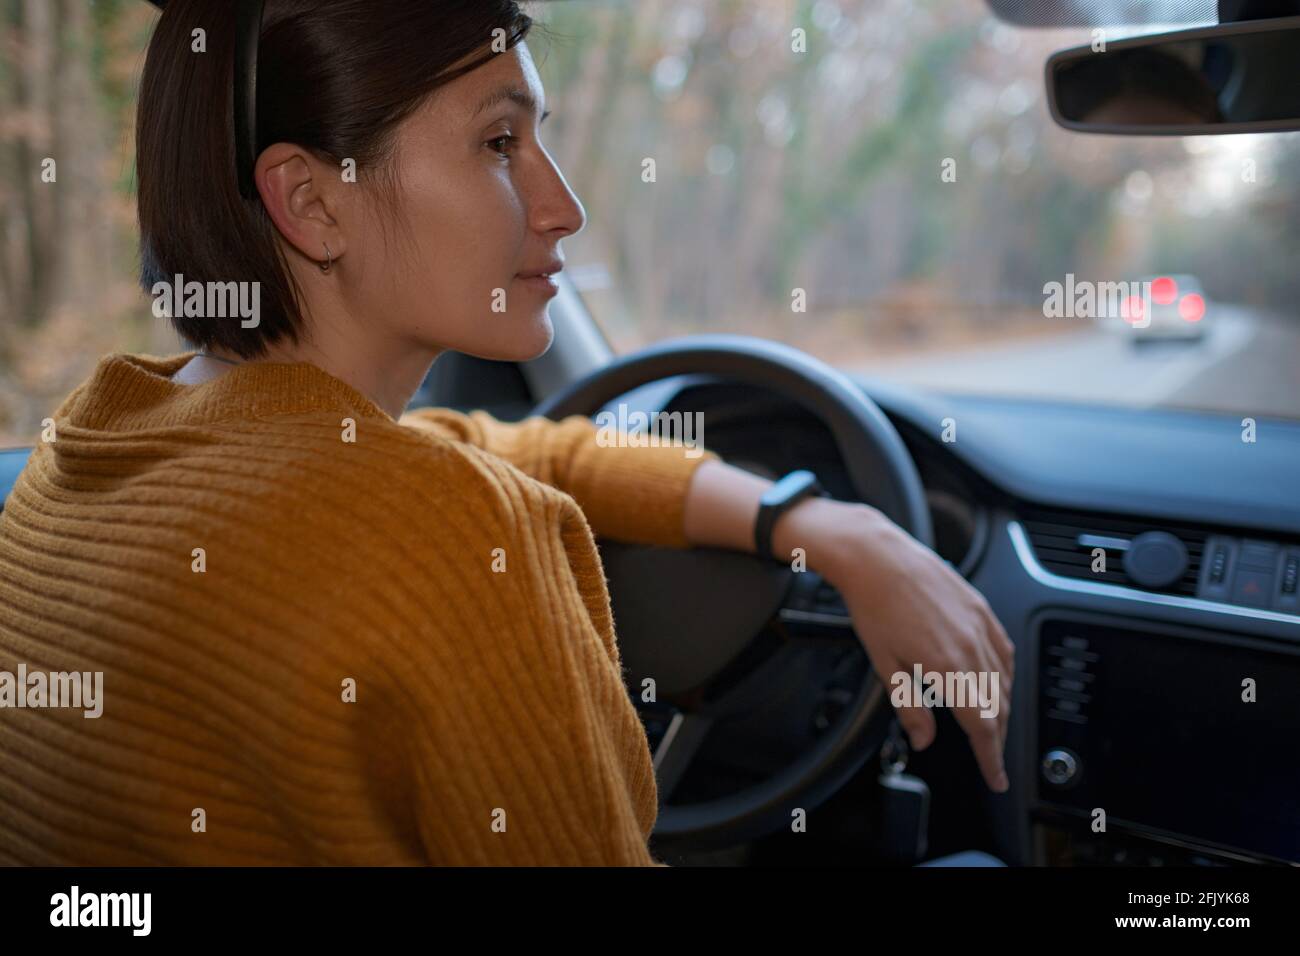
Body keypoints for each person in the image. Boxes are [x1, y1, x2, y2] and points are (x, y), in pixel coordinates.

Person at [0, 0, 1012, 866]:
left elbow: (499, 443)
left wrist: (823, 528)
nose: (562, 206)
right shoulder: (449, 533)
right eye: (499, 143)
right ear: (312, 201)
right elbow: (455, 489)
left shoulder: (90, 446)